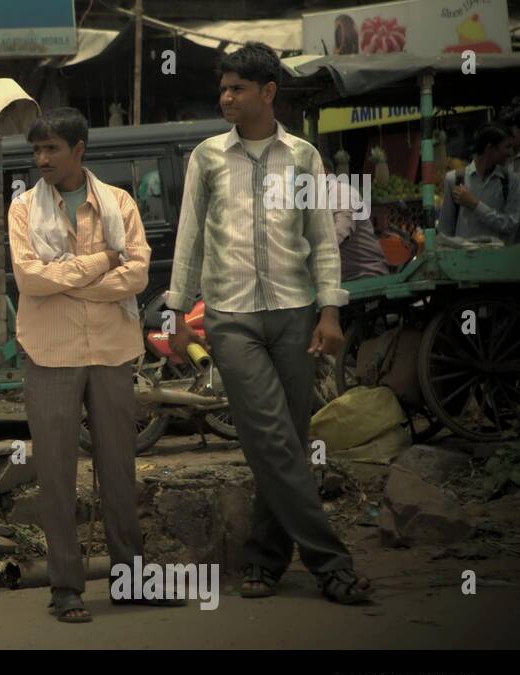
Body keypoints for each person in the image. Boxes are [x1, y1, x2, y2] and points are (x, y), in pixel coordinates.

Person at [167, 42, 373, 604]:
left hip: (294, 313)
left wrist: (330, 312)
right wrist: (177, 312)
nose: (226, 97)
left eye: (237, 88)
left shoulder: (303, 156)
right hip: (229, 318)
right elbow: (188, 238)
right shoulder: (207, 157)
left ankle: (263, 559)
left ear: (268, 93)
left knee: (286, 440)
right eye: (223, 88)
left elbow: (322, 241)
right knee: (272, 435)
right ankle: (332, 563)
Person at [8, 107, 160, 623]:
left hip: (113, 351)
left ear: (79, 149)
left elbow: (137, 274)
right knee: (54, 473)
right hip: (51, 354)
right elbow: (30, 280)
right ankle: (66, 588)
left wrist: (68, 281)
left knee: (119, 469)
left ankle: (132, 581)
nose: (42, 159)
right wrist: (101, 264)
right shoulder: (24, 210)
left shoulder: (120, 203)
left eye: (51, 149)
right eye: (36, 151)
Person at [437, 125, 519, 242]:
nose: (511, 152)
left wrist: (475, 205)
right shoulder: (455, 179)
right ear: (490, 148)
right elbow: (445, 232)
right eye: (507, 146)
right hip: (464, 258)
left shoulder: (511, 181)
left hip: (499, 257)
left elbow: (511, 225)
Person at [322, 157, 388, 281]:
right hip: (342, 279)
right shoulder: (318, 199)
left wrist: (319, 253)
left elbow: (343, 227)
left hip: (365, 277)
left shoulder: (340, 191)